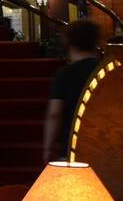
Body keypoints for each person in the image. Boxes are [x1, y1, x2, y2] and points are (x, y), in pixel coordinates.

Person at [43, 19, 102, 163]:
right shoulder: (107, 69)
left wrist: (48, 147)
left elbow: (54, 114)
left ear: (69, 43)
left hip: (74, 146)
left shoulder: (64, 75)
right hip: (105, 144)